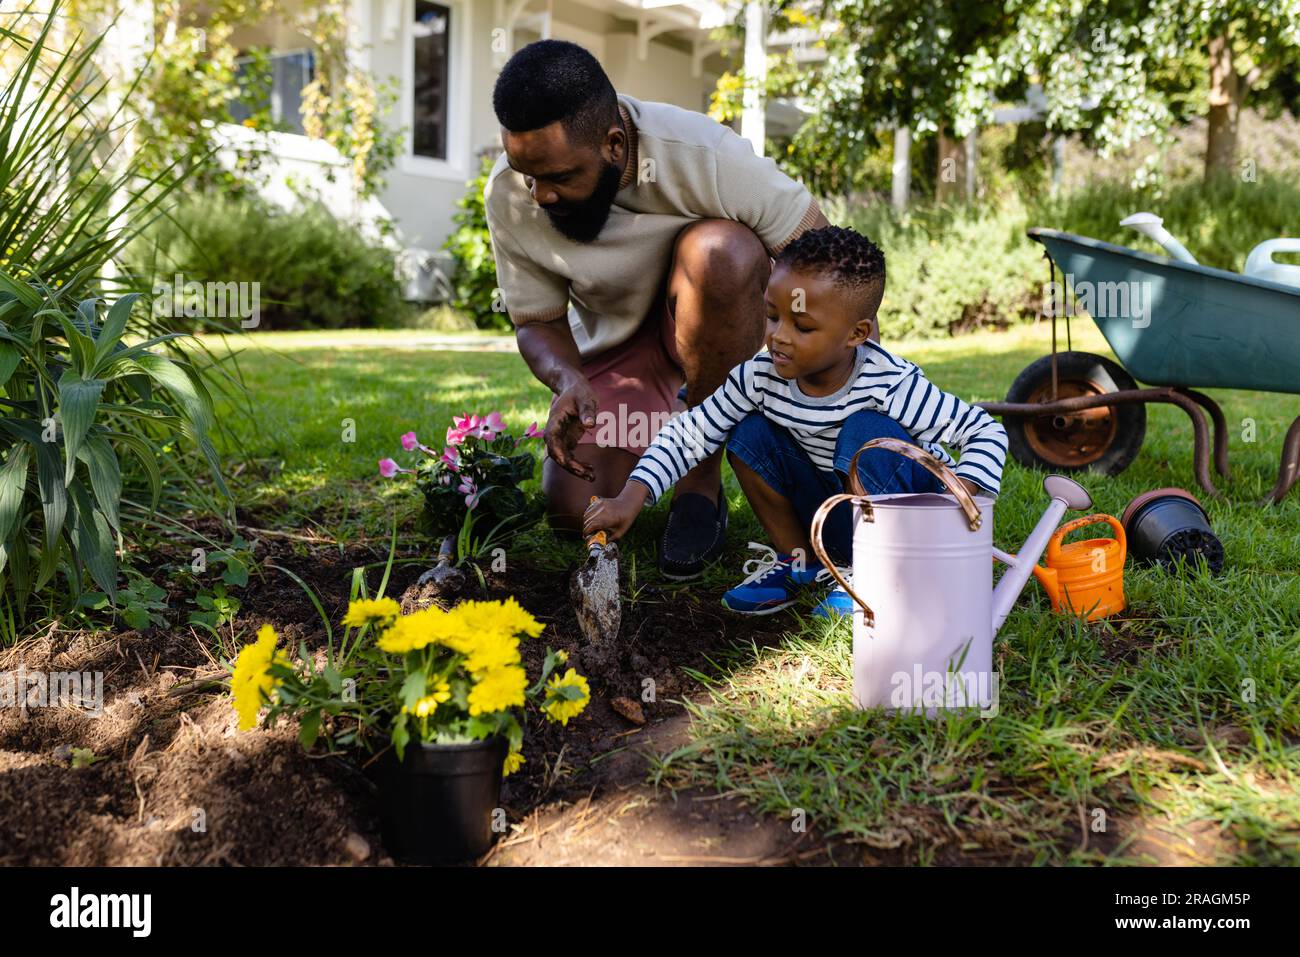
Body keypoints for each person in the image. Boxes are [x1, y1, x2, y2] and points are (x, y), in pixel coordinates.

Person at [486, 39, 828, 579]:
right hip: (621, 354)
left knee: (723, 252)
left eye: (558, 176)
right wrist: (566, 377)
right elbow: (538, 322)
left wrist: (865, 394)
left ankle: (699, 484)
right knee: (575, 515)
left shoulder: (704, 155)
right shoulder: (511, 195)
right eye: (528, 174)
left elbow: (824, 259)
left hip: (719, 339)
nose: (540, 196)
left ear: (614, 144)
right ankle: (660, 439)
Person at [583, 226, 1009, 616]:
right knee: (747, 433)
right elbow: (692, 432)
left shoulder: (889, 383)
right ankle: (803, 562)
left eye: (802, 326)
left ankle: (878, 573)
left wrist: (961, 498)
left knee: (865, 432)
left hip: (908, 526)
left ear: (856, 334)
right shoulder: (760, 376)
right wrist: (630, 498)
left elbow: (986, 430)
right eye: (772, 316)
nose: (779, 337)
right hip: (835, 513)